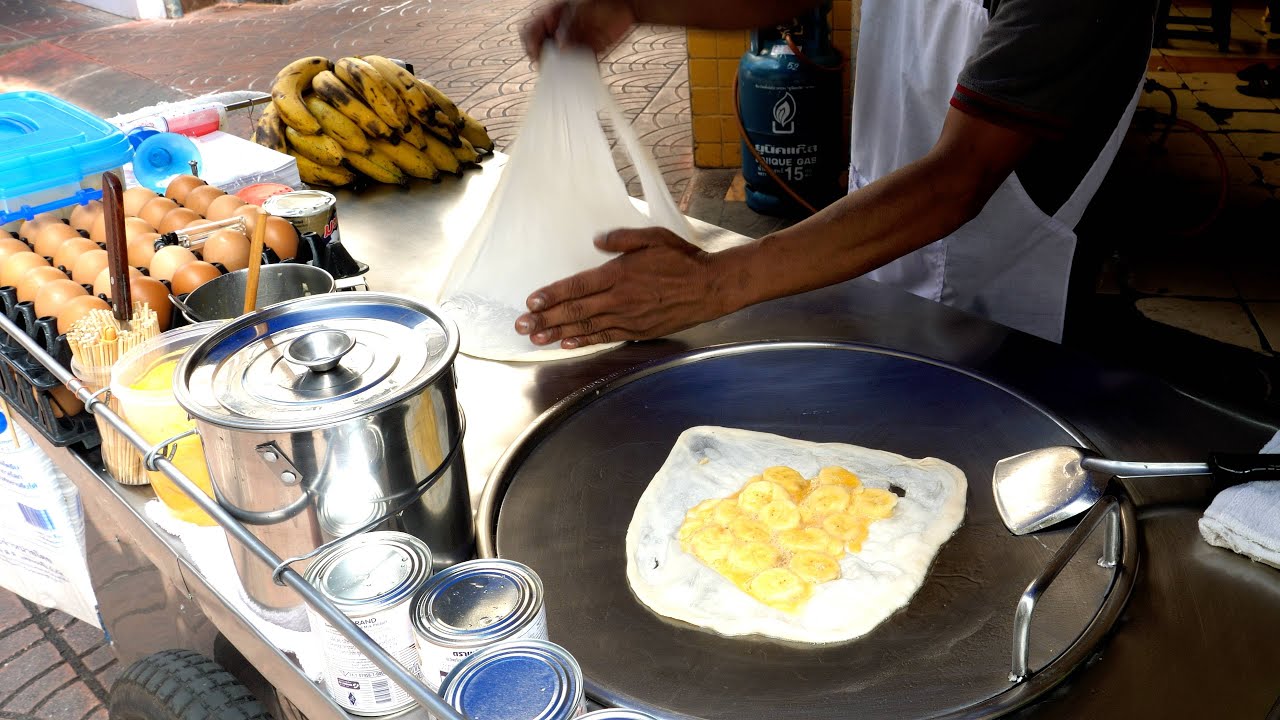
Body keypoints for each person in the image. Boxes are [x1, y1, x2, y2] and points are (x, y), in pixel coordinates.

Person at [515, 0, 1157, 349]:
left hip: (1004, 289)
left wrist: (712, 285)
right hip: (876, 248)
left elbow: (960, 179)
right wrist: (632, 5)